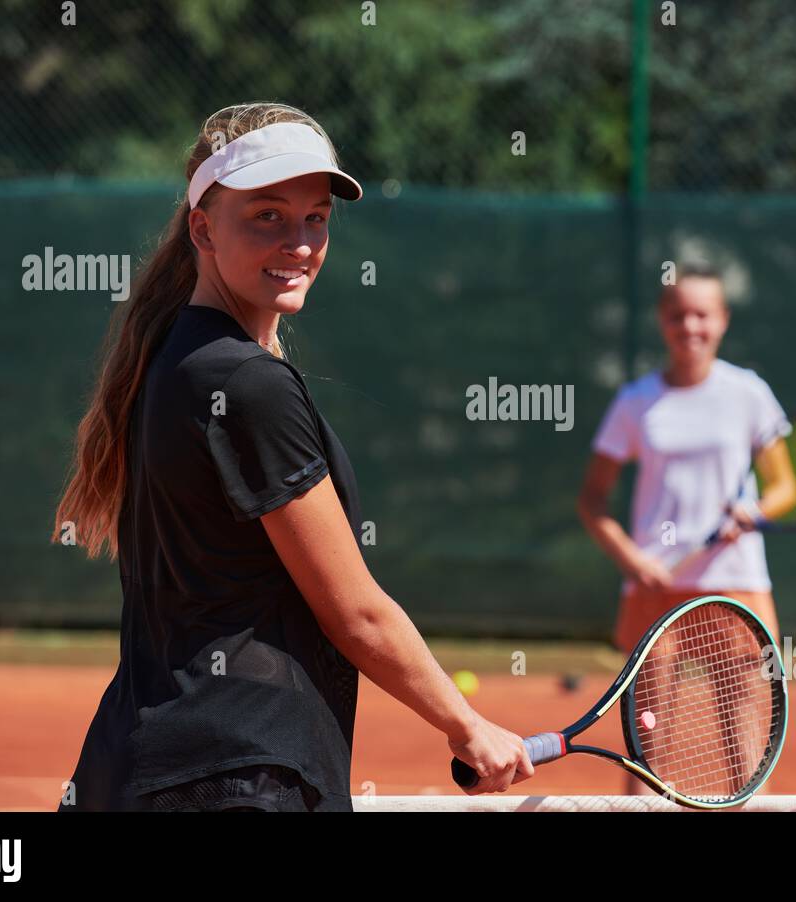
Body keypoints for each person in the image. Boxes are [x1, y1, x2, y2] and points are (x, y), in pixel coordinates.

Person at [53, 102, 531, 811]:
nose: (301, 241)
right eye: (268, 215)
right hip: (236, 773)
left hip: (147, 766)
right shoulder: (245, 384)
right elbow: (355, 611)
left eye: (316, 217)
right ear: (202, 228)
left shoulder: (181, 358)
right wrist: (467, 725)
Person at [577, 265, 796, 795]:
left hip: (736, 584)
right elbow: (592, 501)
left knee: (748, 754)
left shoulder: (749, 393)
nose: (690, 326)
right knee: (645, 755)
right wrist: (634, 562)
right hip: (657, 588)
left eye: (702, 314)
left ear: (721, 321)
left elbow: (786, 488)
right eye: (678, 315)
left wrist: (756, 509)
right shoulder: (636, 402)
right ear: (662, 321)